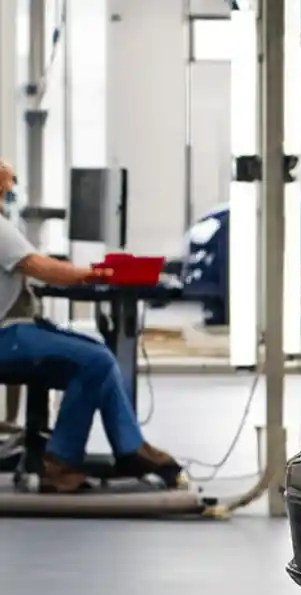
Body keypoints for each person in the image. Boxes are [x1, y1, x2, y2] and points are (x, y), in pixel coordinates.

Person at [0, 160, 184, 493]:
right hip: (5, 336)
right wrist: (96, 274)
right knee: (95, 360)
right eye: (8, 185)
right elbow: (42, 268)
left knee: (96, 357)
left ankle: (130, 449)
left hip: (11, 328)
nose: (11, 192)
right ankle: (62, 463)